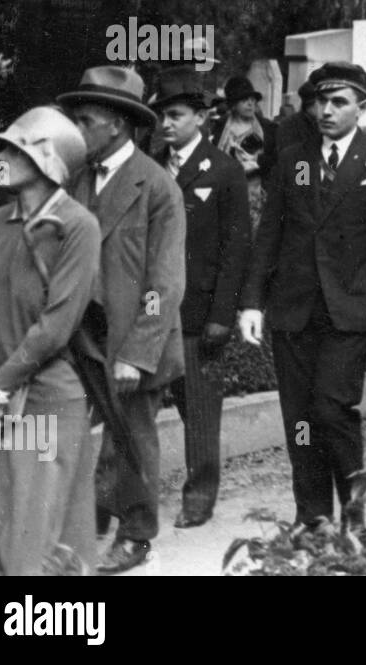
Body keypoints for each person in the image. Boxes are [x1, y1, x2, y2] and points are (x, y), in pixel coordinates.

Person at [239, 61, 366, 534]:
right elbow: (270, 233)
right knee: (300, 418)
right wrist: (252, 301)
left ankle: (354, 517)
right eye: (321, 101)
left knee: (331, 409)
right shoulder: (294, 159)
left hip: (350, 311)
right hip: (294, 309)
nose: (326, 111)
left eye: (339, 102)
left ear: (362, 107)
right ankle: (312, 517)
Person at [0, 107, 98, 575]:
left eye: (12, 150)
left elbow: (56, 326)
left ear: (46, 159)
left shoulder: (78, 225)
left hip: (45, 397)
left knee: (36, 537)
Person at [59, 66, 186, 574]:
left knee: (132, 439)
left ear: (116, 124)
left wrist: (137, 352)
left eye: (85, 121)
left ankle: (135, 536)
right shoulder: (74, 179)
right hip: (80, 336)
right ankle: (78, 525)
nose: (75, 130)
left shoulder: (157, 187)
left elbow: (164, 283)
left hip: (132, 341)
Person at [150, 67, 251, 528]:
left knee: (200, 409)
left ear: (201, 117)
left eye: (175, 115)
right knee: (135, 405)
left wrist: (222, 314)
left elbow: (236, 248)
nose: (166, 124)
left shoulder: (225, 171)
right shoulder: (152, 168)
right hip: (155, 311)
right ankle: (118, 498)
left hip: (200, 310)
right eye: (162, 116)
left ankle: (199, 495)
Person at [275, 79, 321, 154]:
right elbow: (288, 156)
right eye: (322, 102)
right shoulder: (289, 125)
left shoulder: (323, 123)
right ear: (310, 104)